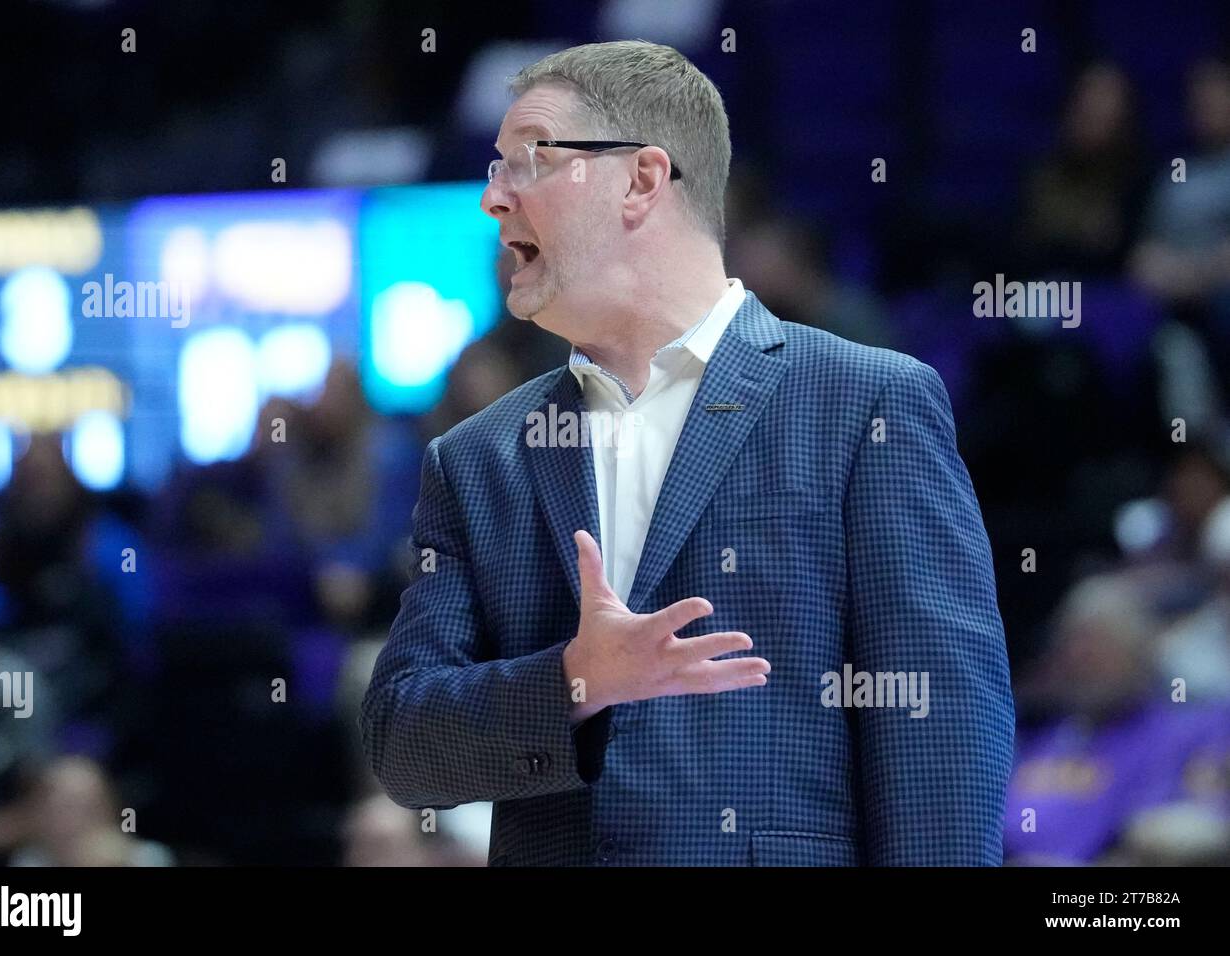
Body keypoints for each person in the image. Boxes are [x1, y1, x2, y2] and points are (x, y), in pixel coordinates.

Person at [360, 40, 1013, 866]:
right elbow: (400, 739)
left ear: (640, 180)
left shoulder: (867, 406)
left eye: (527, 161)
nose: (493, 198)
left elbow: (938, 744)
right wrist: (573, 682)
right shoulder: (477, 457)